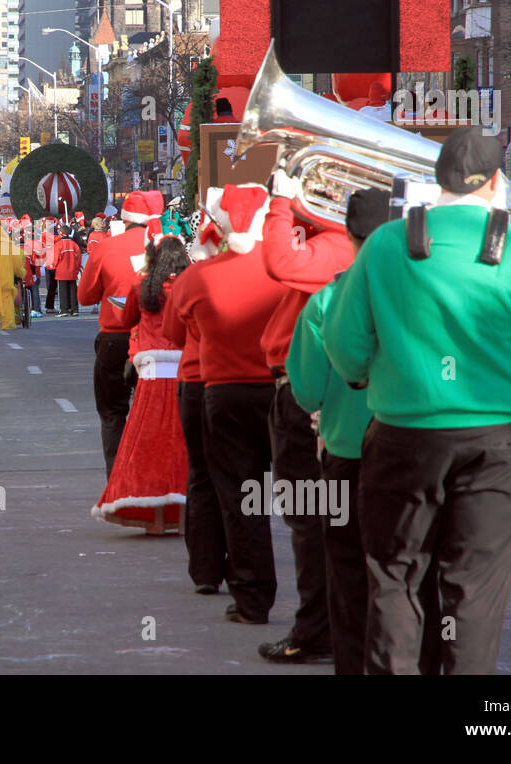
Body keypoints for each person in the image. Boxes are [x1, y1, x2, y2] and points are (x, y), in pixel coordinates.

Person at [322, 126, 511, 674]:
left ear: (436, 178)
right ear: (496, 183)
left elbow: (345, 348)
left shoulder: (383, 246)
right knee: (473, 593)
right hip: (494, 444)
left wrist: (365, 377)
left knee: (395, 580)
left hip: (400, 439)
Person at [164, 185, 286, 622]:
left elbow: (177, 338)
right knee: (306, 502)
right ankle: (322, 606)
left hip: (224, 393)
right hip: (282, 390)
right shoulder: (285, 269)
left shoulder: (197, 277)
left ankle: (252, 596)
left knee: (239, 497)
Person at [285, 188, 391, 674]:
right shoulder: (428, 294)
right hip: (417, 451)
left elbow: (305, 392)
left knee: (348, 575)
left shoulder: (327, 301)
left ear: (348, 235)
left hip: (346, 452)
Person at [253, 166, 355, 664]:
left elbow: (277, 262)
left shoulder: (338, 246)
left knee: (310, 517)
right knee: (316, 517)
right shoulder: (337, 243)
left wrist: (280, 197)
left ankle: (317, 631)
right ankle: (324, 626)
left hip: (306, 395)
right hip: (307, 391)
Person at [93, 235, 189, 532]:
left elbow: (126, 319)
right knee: (183, 444)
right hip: (184, 372)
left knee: (147, 445)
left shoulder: (142, 286)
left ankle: (155, 521)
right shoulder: (188, 286)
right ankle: (186, 517)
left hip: (151, 374)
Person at [78, 190, 162, 476]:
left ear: (124, 219)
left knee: (113, 413)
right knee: (154, 414)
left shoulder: (106, 248)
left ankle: (117, 478)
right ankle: (150, 476)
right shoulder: (165, 245)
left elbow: (85, 296)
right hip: (157, 341)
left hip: (114, 339)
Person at [54, 224, 82, 317]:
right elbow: (79, 259)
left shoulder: (58, 245)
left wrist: (52, 267)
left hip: (61, 271)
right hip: (73, 270)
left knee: (63, 291)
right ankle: (74, 309)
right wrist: (77, 269)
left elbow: (55, 259)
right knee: (73, 290)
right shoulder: (75, 245)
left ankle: (64, 309)